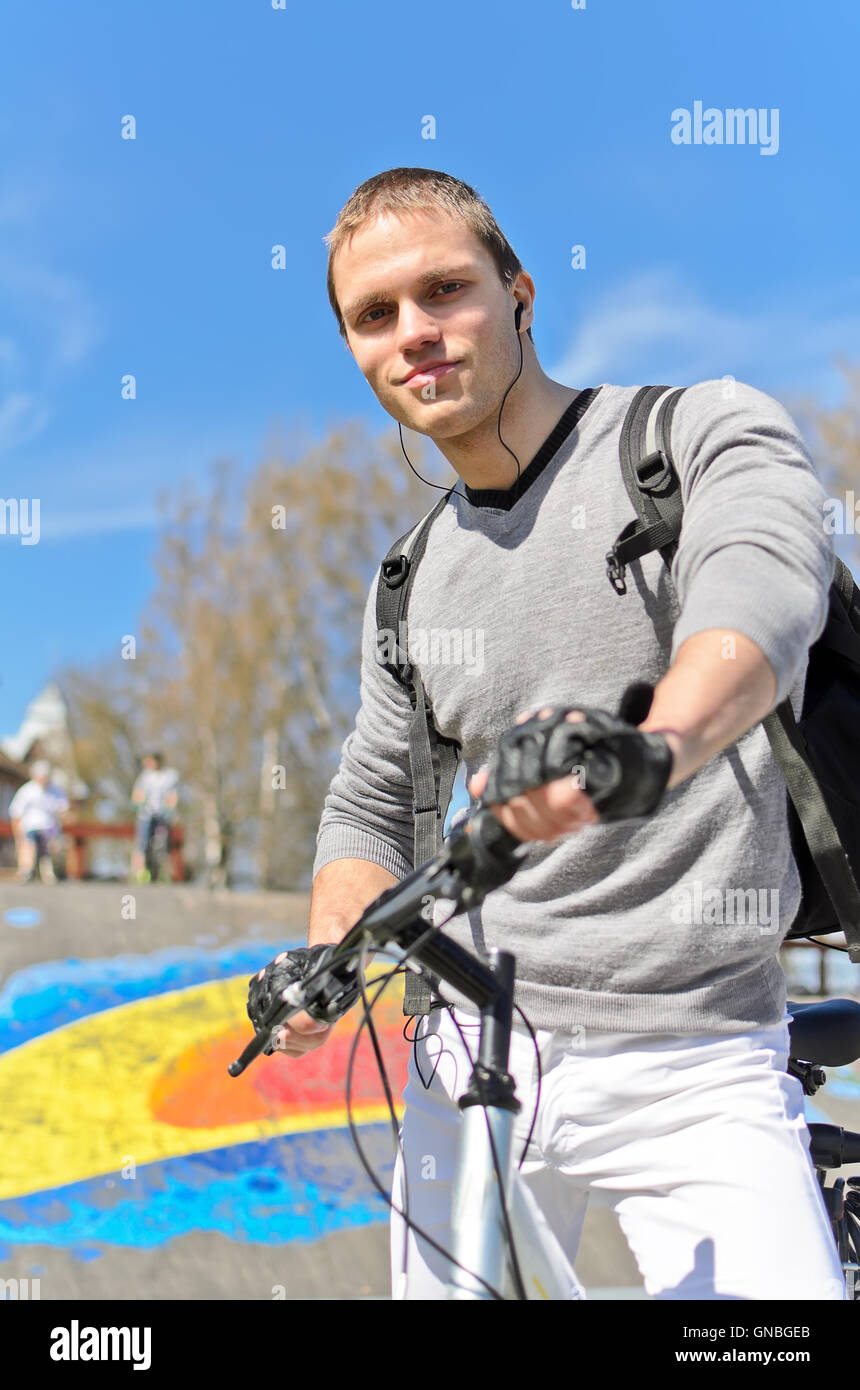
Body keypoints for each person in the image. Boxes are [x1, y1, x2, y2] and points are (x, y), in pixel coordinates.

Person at [256, 167, 845, 1299]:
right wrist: (327, 956)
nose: (413, 335)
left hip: (690, 1052)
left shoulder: (686, 435)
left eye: (444, 291)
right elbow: (370, 799)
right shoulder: (410, 579)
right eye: (373, 316)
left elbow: (763, 586)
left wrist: (651, 748)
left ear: (519, 294)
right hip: (464, 1058)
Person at [9, 759, 69, 883]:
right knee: (28, 846)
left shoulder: (56, 790)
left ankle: (50, 872)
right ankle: (26, 871)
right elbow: (16, 813)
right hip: (30, 826)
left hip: (50, 826)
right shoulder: (27, 791)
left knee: (52, 846)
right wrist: (18, 835)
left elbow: (63, 810)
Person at [130, 752, 179, 883]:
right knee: (142, 842)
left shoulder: (169, 776)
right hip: (146, 813)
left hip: (162, 814)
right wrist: (138, 804)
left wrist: (170, 809)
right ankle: (139, 872)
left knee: (165, 843)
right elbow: (137, 793)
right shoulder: (145, 777)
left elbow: (172, 795)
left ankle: (165, 872)